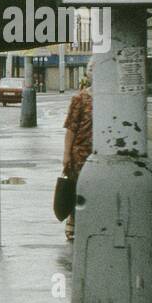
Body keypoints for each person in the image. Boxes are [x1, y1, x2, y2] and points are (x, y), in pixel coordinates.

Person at [62, 76, 93, 242]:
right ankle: (73, 219)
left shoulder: (110, 98)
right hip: (81, 155)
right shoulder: (79, 99)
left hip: (102, 155)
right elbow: (71, 129)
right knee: (79, 190)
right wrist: (66, 155)